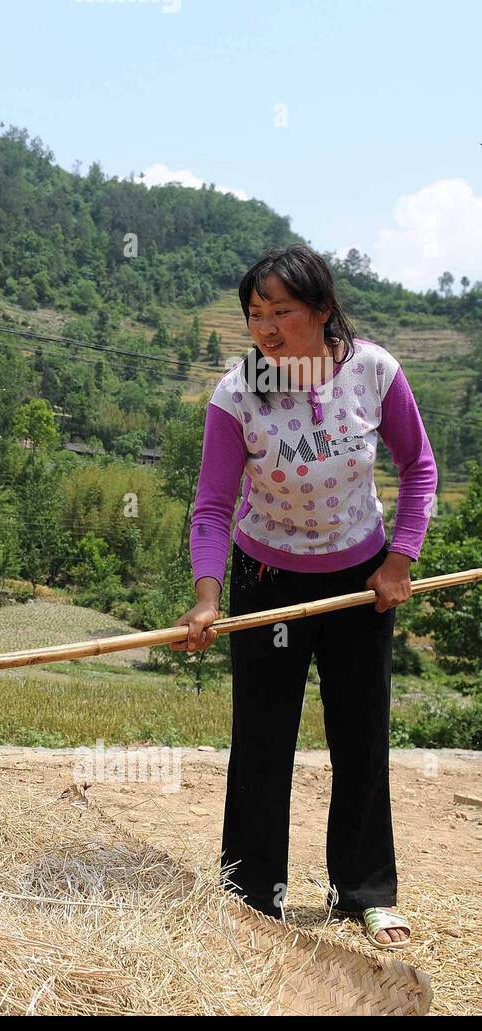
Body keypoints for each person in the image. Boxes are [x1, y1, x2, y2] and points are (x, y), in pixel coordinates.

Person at [173, 244, 437, 950]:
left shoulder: (374, 372)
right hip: (268, 583)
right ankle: (252, 895)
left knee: (361, 734)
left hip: (361, 584)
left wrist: (400, 561)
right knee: (262, 740)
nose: (265, 327)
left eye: (281, 312)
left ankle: (365, 893)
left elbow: (420, 467)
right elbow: (211, 508)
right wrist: (206, 600)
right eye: (255, 314)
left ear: (322, 310)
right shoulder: (237, 395)